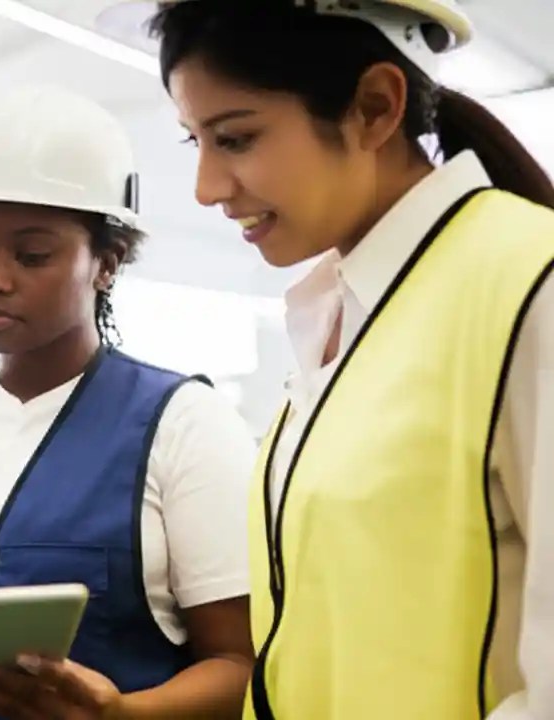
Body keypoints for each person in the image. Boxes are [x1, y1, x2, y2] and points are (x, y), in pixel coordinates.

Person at [94, 0, 554, 717]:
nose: (207, 187)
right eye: (196, 143)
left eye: (237, 139)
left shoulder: (529, 282)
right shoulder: (337, 316)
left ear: (374, 107)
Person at [0, 85, 257, 720]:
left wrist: (121, 715)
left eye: (31, 254)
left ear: (107, 264)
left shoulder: (184, 428)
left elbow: (241, 667)